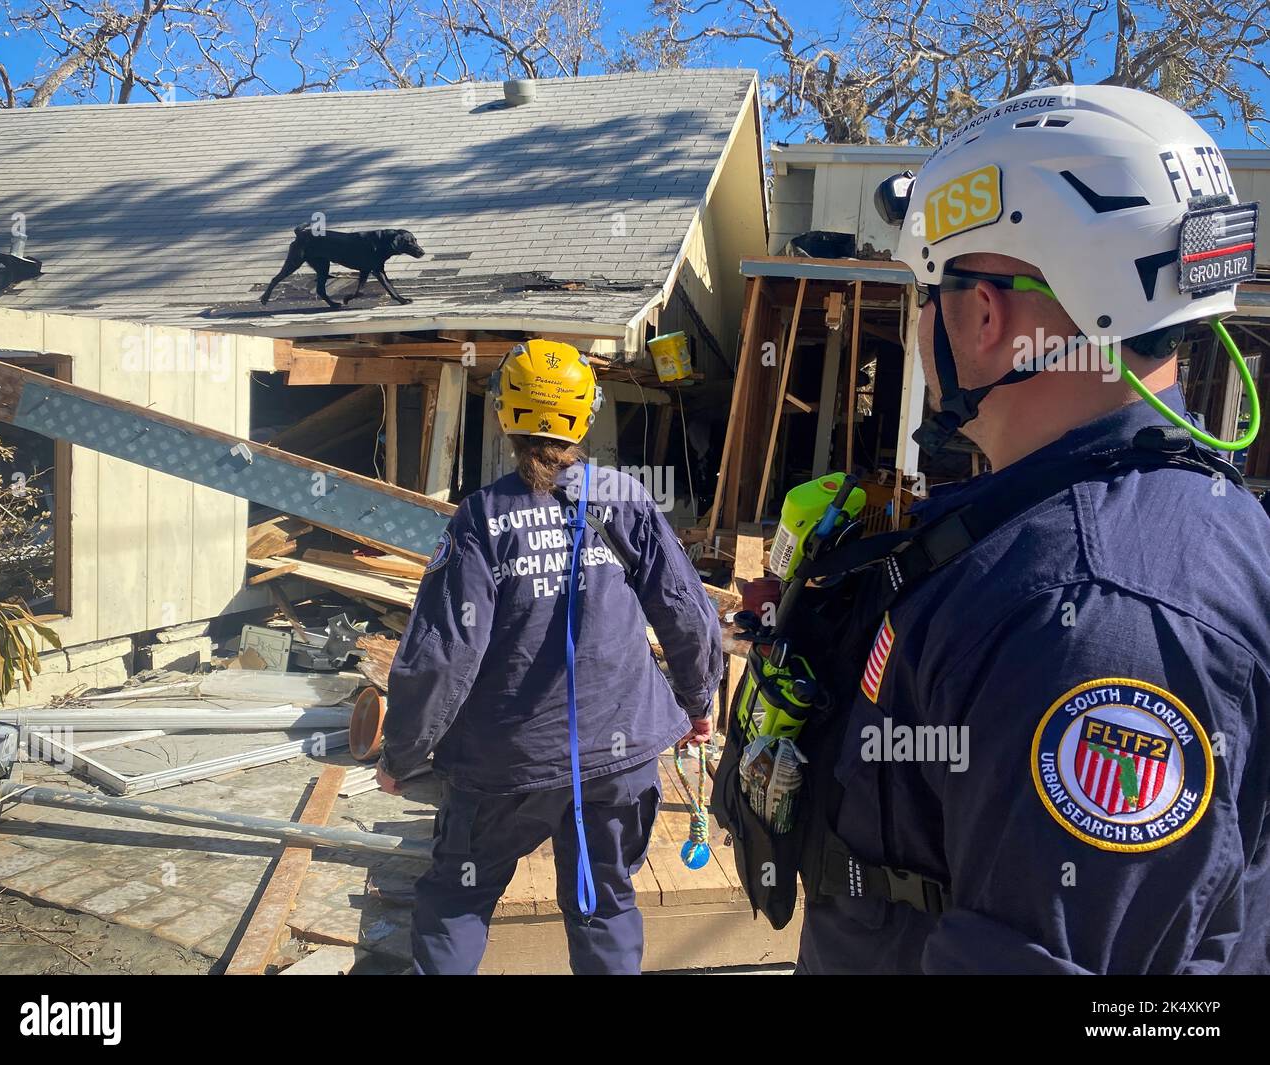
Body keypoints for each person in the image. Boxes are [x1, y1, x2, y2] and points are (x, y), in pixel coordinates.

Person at [790, 85, 1270, 973]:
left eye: (927, 293)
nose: (920, 324)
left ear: (982, 313)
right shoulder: (1074, 523)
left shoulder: (1095, 616)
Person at [376, 339, 723, 975]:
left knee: (458, 897)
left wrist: (401, 752)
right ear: (587, 416)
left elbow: (443, 654)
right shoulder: (623, 497)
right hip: (620, 756)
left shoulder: (482, 519)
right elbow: (685, 611)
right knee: (605, 904)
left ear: (506, 416)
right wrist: (701, 703)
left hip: (505, 767)